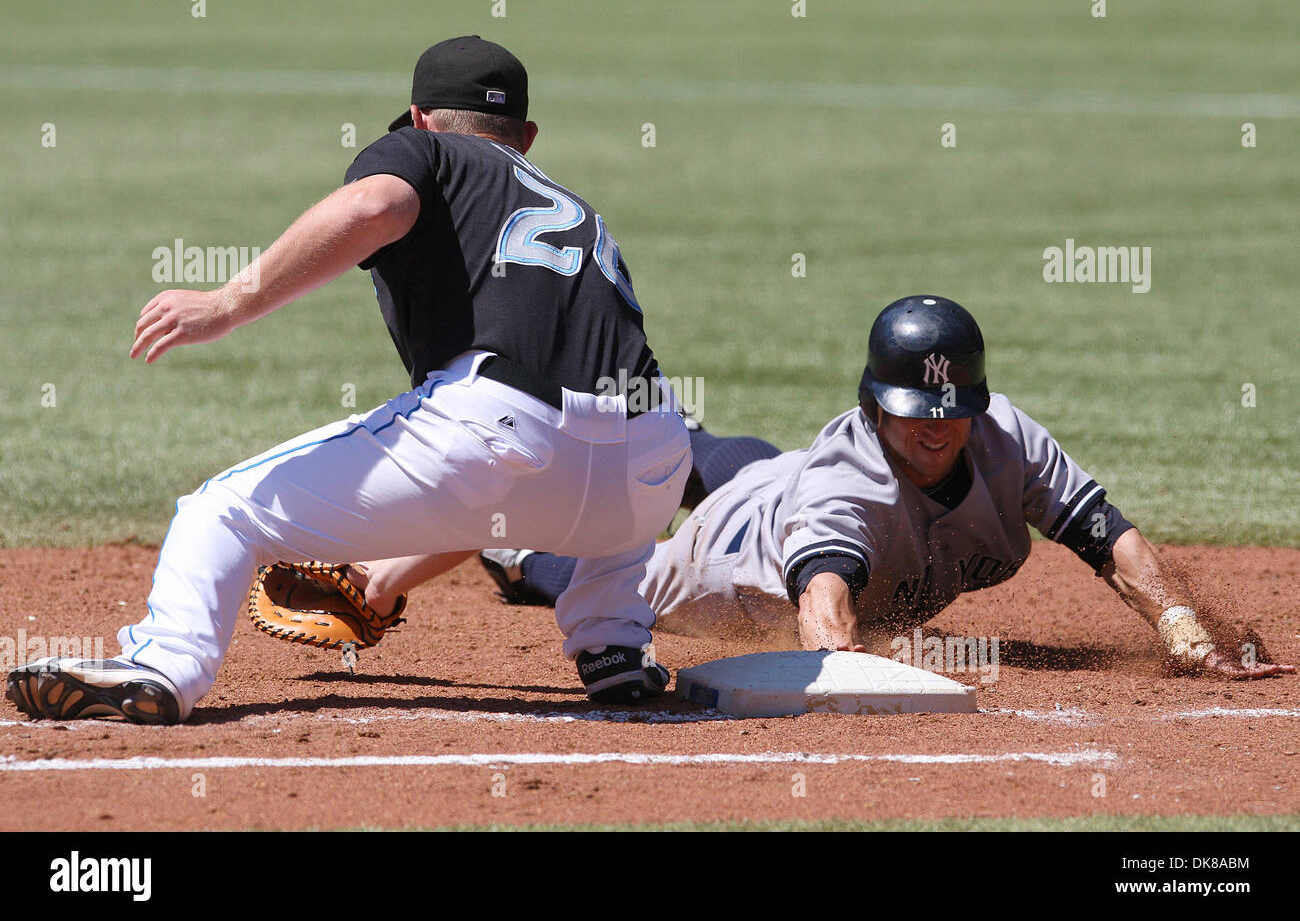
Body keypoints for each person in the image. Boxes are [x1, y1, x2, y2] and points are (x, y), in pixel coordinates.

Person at [6, 35, 691, 724]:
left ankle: (163, 664)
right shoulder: (581, 213)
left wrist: (225, 305)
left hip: (498, 426)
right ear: (528, 136)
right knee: (603, 451)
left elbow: (372, 209)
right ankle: (614, 648)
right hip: (651, 467)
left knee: (220, 511)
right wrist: (386, 576)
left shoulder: (428, 152)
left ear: (419, 117)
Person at [466, 295, 1291, 680]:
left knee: (751, 463)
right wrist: (840, 666)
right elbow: (824, 594)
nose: (937, 428)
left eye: (953, 411)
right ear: (872, 406)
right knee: (616, 576)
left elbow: (1104, 532)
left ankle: (670, 435)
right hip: (730, 570)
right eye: (914, 415)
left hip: (779, 483)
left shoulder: (1005, 431)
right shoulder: (844, 489)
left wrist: (1183, 627)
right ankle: (515, 551)